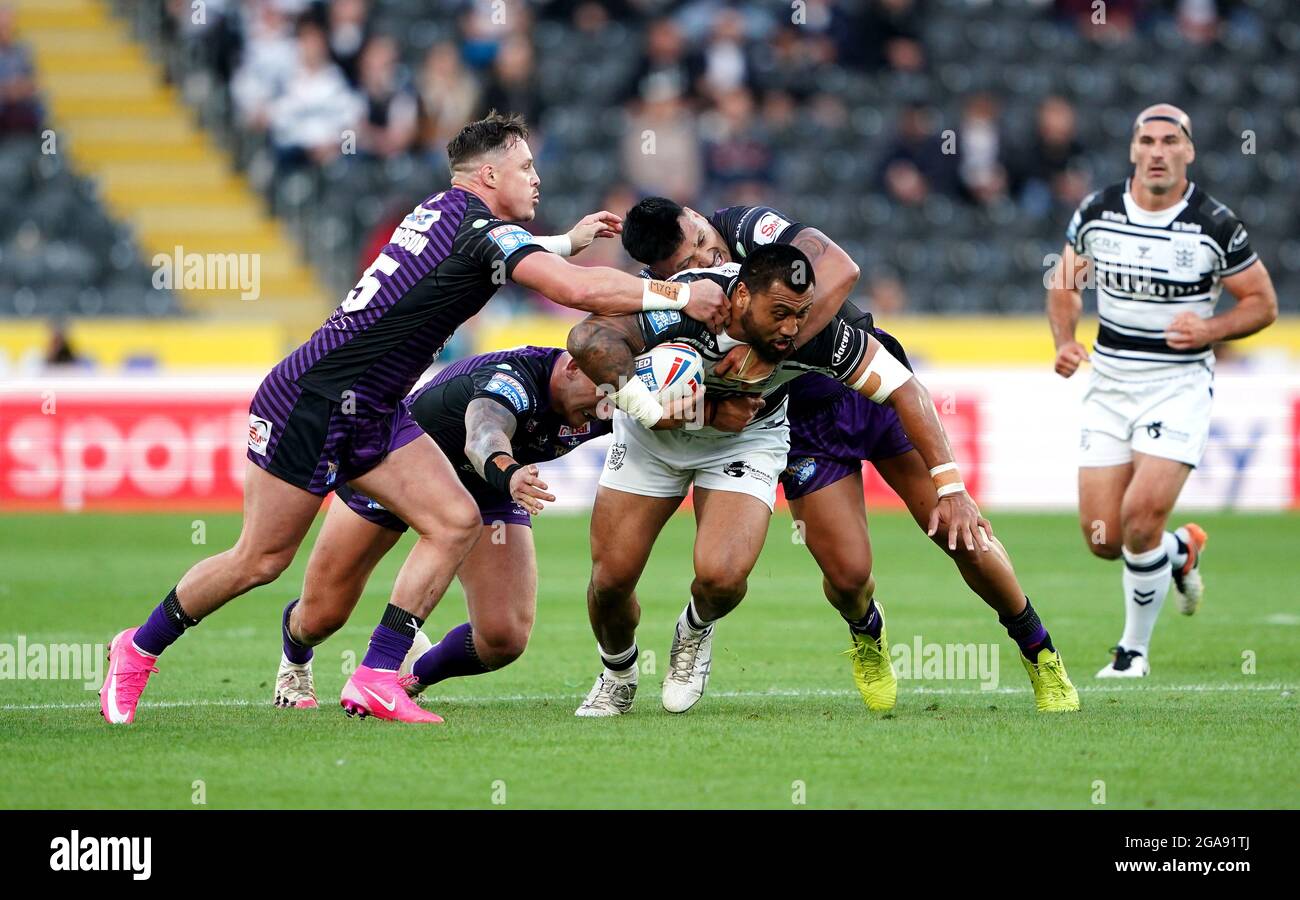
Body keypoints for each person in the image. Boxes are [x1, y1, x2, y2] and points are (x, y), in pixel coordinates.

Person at [98, 111, 728, 726]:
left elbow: (491, 261)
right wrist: (679, 292)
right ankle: (139, 648)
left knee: (455, 521)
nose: (536, 178)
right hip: (312, 399)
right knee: (260, 561)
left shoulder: (437, 212)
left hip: (376, 407)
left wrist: (565, 243)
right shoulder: (484, 232)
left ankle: (377, 677)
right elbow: (577, 291)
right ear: (487, 177)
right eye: (525, 167)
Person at [623, 196, 1080, 712]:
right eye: (688, 265)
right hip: (802, 423)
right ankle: (867, 631)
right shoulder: (677, 299)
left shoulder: (748, 226)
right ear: (660, 272)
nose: (707, 259)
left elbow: (841, 268)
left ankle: (1040, 652)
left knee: (960, 533)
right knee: (849, 579)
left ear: (698, 216)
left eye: (703, 241)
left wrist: (769, 349)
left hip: (864, 378)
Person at [565, 244, 1008, 717]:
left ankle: (693, 631)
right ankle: (618, 673)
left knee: (722, 578)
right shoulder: (690, 304)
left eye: (799, 314)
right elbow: (588, 338)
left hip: (745, 439)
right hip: (650, 442)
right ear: (739, 297)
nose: (791, 329)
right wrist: (653, 410)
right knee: (610, 583)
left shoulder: (812, 333)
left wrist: (951, 486)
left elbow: (904, 388)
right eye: (778, 313)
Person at [1047, 104, 1277, 678]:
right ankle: (1181, 551)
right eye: (1146, 140)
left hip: (1177, 385)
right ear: (1132, 150)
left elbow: (1262, 303)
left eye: (1169, 141)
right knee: (1105, 538)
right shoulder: (1097, 210)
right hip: (1109, 381)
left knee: (1140, 517)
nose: (1156, 151)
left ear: (1187, 152)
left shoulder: (1215, 224)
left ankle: (1132, 653)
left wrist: (1213, 328)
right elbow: (1065, 284)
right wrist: (1064, 340)